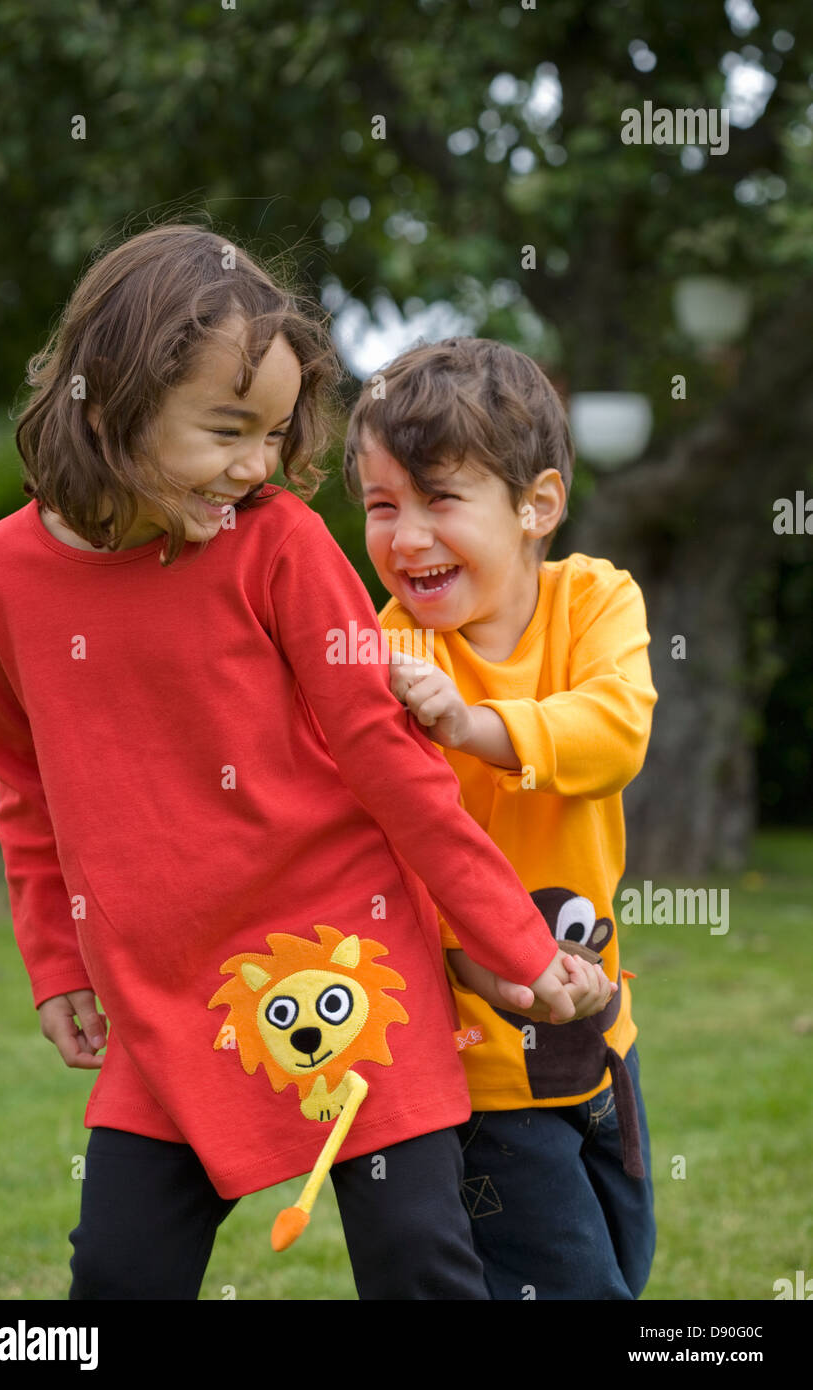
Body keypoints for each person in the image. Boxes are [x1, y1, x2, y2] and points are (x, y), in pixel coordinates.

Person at [0, 226, 614, 1302]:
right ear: (109, 398)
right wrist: (57, 962)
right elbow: (21, 785)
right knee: (117, 1278)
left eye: (273, 431)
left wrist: (513, 943)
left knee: (419, 1265)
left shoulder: (283, 543)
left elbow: (391, 764)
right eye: (227, 430)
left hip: (348, 964)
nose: (257, 466)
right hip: (160, 995)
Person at [343, 336, 659, 1300]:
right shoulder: (382, 654)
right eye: (381, 505)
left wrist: (477, 727)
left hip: (602, 1029)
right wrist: (470, 955)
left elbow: (615, 732)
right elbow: (378, 852)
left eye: (440, 499)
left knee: (625, 1261)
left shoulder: (594, 600)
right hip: (479, 1066)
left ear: (539, 505)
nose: (405, 537)